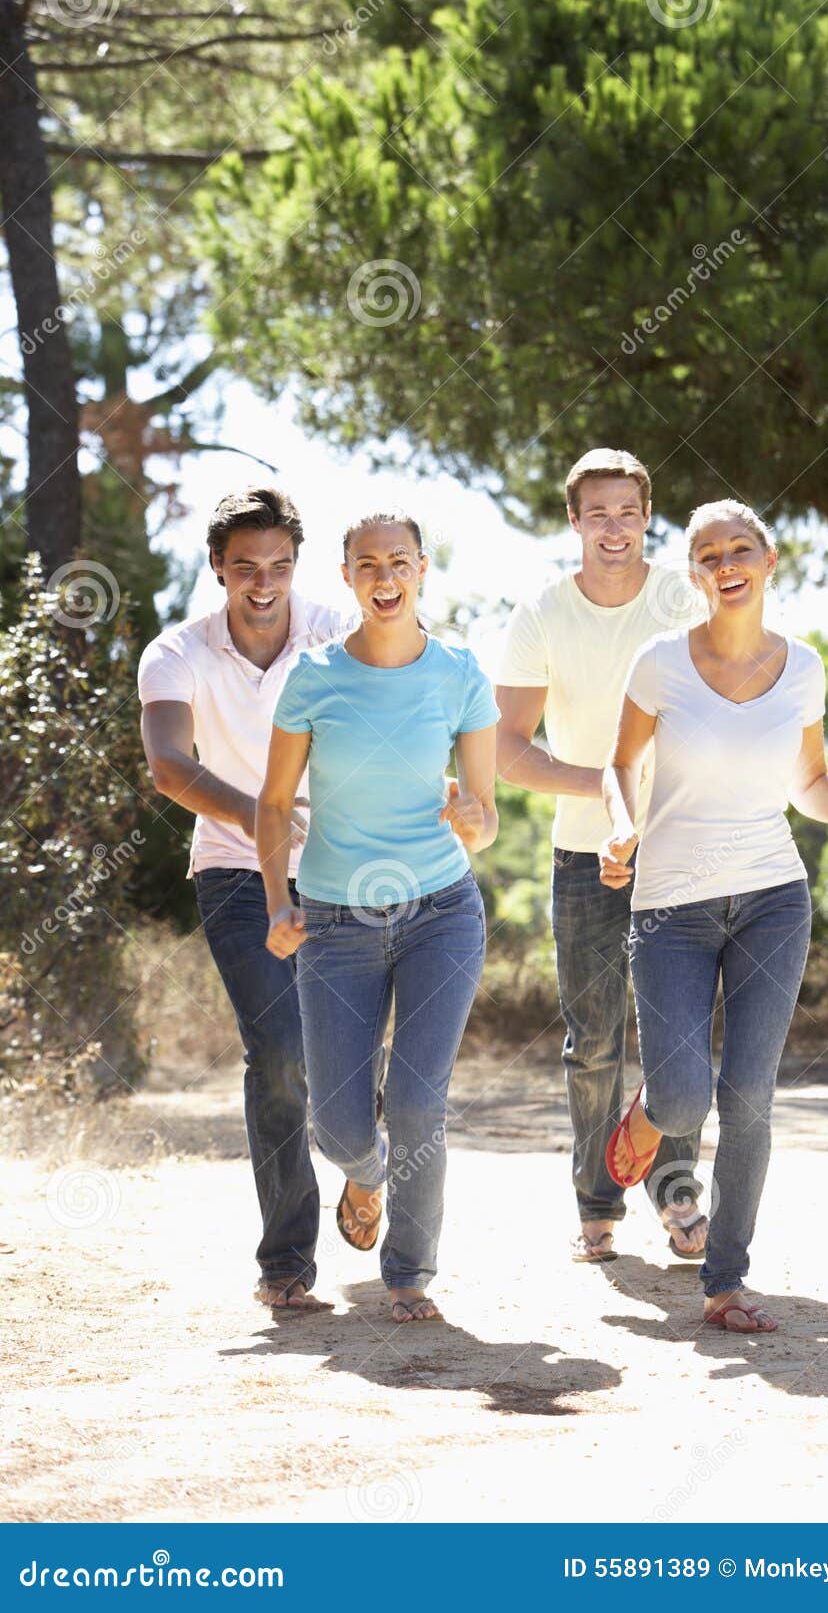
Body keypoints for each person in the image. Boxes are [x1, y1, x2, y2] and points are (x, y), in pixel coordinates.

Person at [600, 498, 828, 1330]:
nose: (724, 562)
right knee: (682, 1100)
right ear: (693, 573)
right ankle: (645, 1118)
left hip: (772, 902)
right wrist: (619, 824)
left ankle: (725, 1280)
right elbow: (619, 763)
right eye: (707, 553)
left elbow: (810, 788)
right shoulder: (660, 663)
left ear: (768, 559)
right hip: (670, 907)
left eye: (738, 548)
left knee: (747, 1095)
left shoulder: (805, 668)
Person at [257, 512, 499, 1325]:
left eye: (399, 560)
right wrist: (275, 900)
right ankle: (368, 1172)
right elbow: (272, 801)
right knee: (336, 1124)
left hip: (442, 911)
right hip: (333, 918)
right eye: (368, 563)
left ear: (423, 569)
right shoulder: (314, 676)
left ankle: (409, 1273)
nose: (384, 575)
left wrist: (474, 818)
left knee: (421, 1101)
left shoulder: (460, 670)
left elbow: (486, 816)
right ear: (348, 576)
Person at [496, 448, 710, 1265]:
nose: (613, 527)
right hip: (585, 853)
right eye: (597, 512)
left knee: (677, 1040)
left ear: (646, 515)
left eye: (627, 511)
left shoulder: (683, 598)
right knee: (594, 1038)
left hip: (687, 847)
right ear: (573, 520)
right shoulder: (541, 613)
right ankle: (597, 1201)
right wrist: (612, 793)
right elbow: (511, 752)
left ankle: (679, 1190)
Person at [138, 486, 349, 1312]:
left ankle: (364, 1171)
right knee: (279, 1052)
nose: (264, 584)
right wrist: (265, 815)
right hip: (232, 868)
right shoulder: (177, 653)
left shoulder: (334, 630)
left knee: (344, 1052)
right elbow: (169, 767)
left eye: (280, 566)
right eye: (245, 568)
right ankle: (288, 1256)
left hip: (343, 862)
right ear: (218, 568)